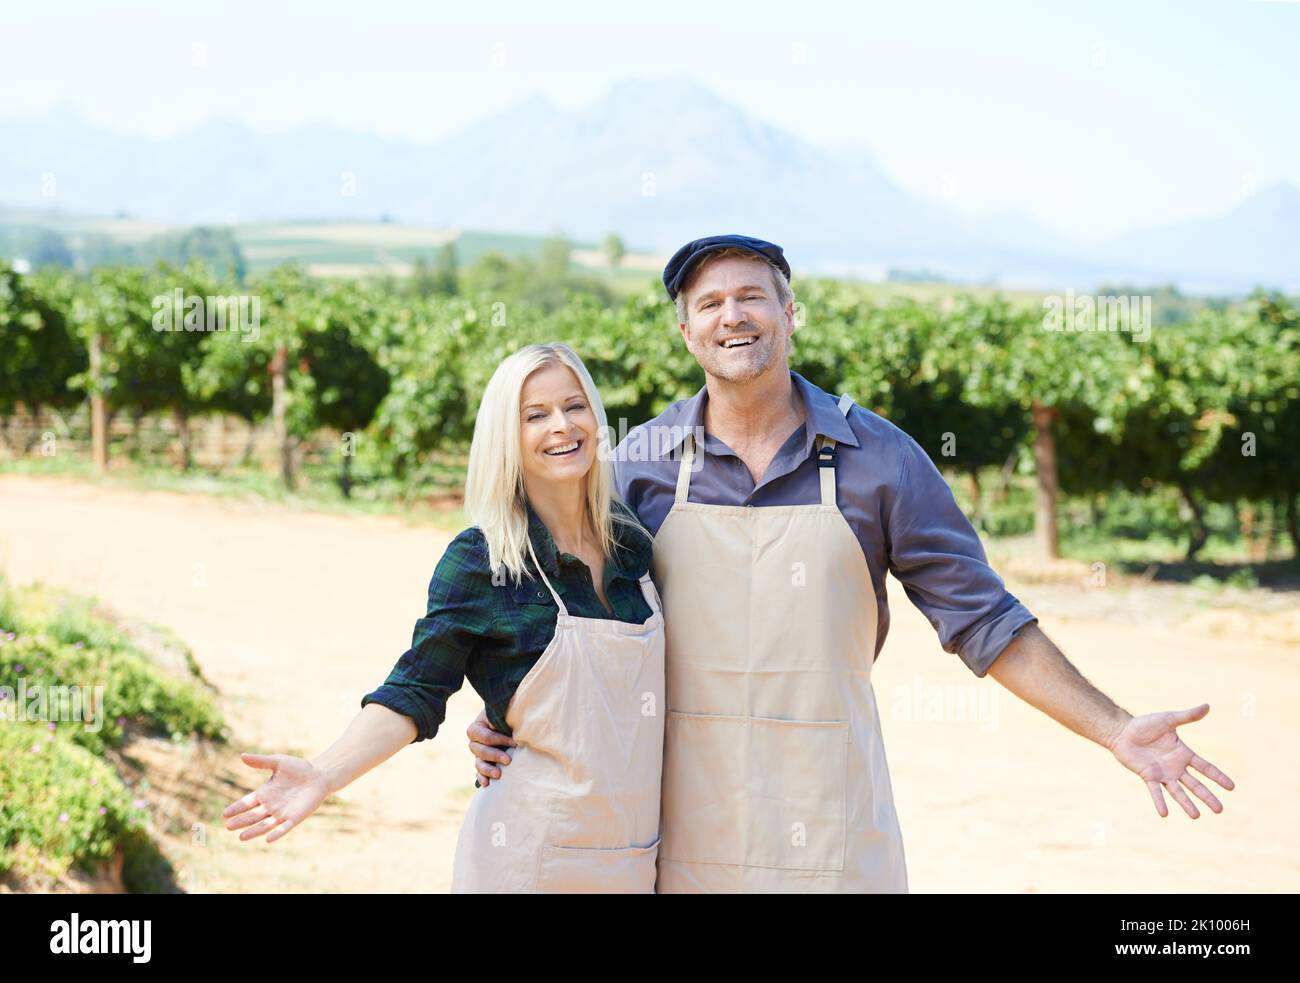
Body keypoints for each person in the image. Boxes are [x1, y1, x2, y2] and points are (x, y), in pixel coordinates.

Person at [467, 234, 1235, 894]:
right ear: (686, 329)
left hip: (833, 835)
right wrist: (507, 705)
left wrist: (1115, 727)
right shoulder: (640, 467)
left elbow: (987, 620)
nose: (733, 315)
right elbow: (580, 623)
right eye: (710, 303)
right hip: (678, 840)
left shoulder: (880, 460)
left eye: (753, 297)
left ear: (790, 313)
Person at [222, 342, 665, 893]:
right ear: (506, 438)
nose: (562, 426)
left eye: (574, 406)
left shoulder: (634, 544)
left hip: (633, 860)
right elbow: (416, 688)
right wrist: (323, 773)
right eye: (535, 415)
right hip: (529, 858)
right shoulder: (484, 560)